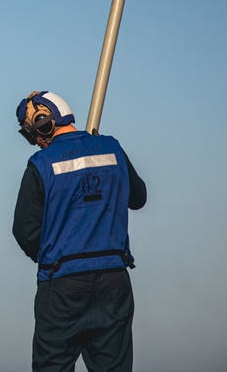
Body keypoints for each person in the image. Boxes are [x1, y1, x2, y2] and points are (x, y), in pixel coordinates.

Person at [12, 91, 147, 372]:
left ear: (43, 122)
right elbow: (138, 197)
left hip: (62, 284)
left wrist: (51, 254)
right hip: (113, 279)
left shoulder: (40, 164)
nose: (35, 141)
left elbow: (25, 230)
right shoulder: (112, 148)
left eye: (31, 133)